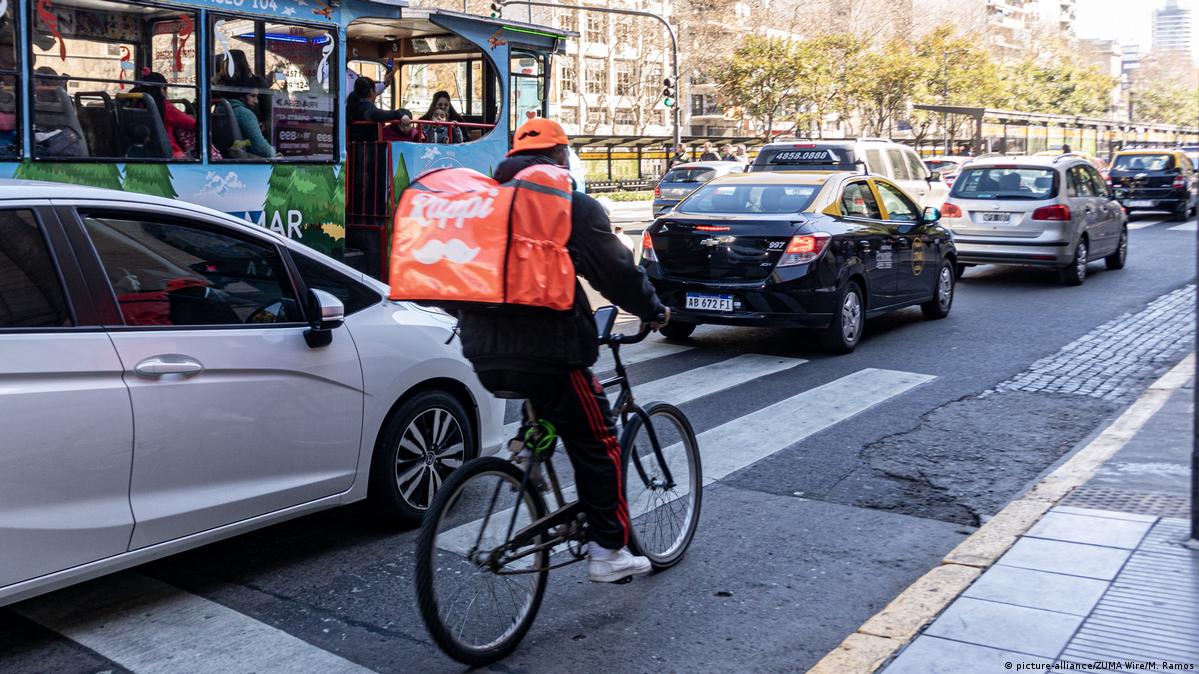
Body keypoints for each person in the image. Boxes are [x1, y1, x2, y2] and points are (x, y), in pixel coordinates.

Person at [455, 117, 669, 584]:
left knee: (551, 409)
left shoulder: (484, 203)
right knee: (600, 441)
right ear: (560, 157)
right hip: (550, 352)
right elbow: (614, 272)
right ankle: (609, 552)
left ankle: (527, 455)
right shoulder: (567, 205)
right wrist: (652, 310)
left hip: (481, 349)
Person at [132, 70, 197, 159]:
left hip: (147, 152)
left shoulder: (137, 105)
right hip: (172, 153)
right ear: (161, 89)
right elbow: (194, 124)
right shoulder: (165, 107)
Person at [347, 76, 419, 141]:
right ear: (371, 91)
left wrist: (385, 84)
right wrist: (398, 114)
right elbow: (375, 114)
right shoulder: (365, 107)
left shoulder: (353, 104)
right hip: (367, 148)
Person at [229, 77, 275, 159]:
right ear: (242, 96)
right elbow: (261, 148)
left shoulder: (226, 108)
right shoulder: (245, 114)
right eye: (253, 96)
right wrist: (275, 153)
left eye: (257, 97)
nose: (256, 101)